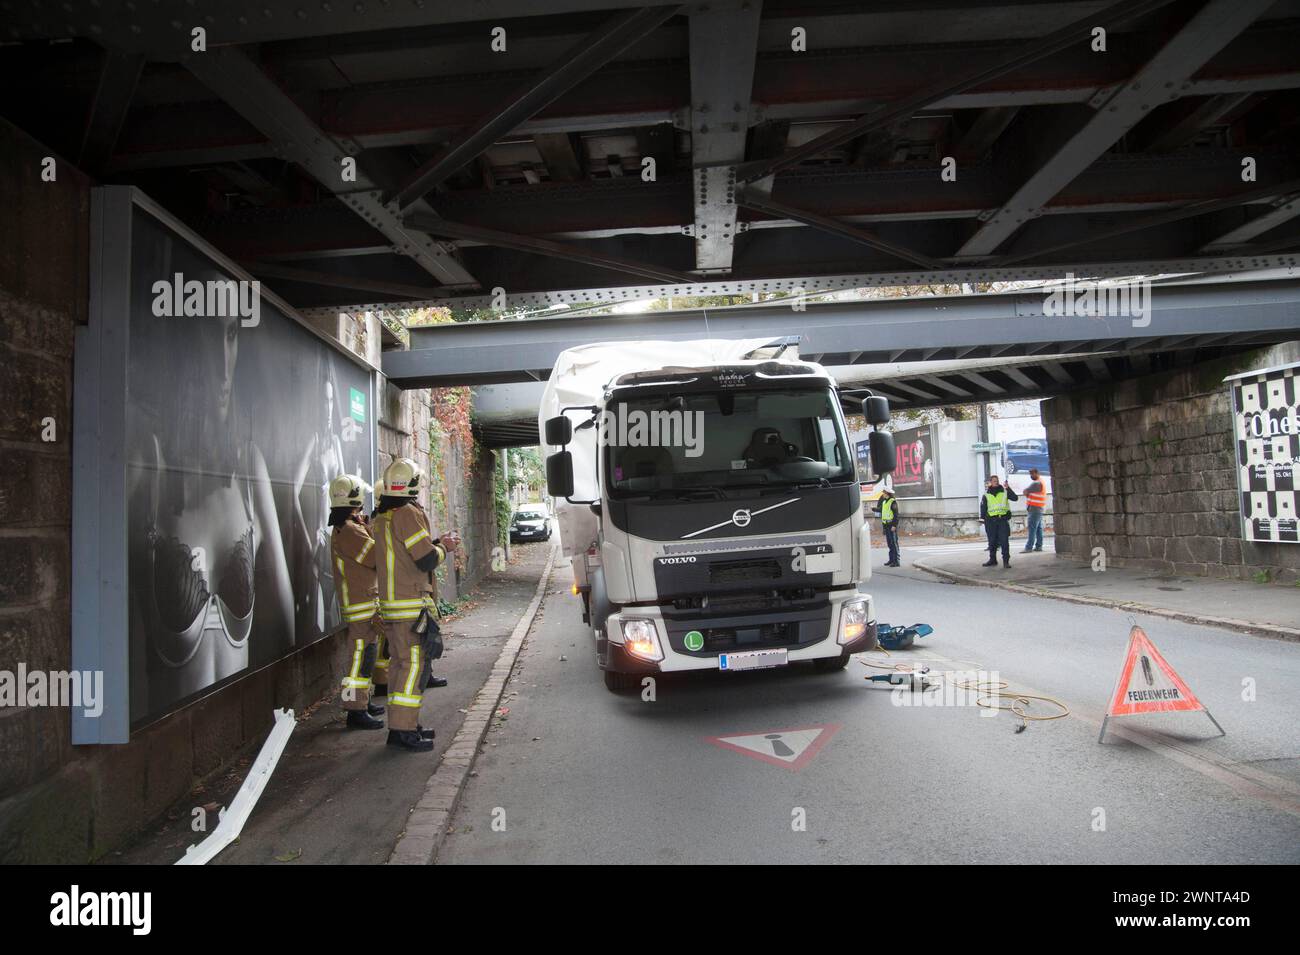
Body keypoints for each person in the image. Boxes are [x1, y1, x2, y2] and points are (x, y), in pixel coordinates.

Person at [372, 457, 461, 753]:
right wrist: (444, 547)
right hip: (411, 606)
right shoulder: (407, 513)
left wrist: (433, 542)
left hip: (393, 606)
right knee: (412, 667)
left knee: (399, 667)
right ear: (412, 484)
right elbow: (424, 558)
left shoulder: (382, 516)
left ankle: (403, 725)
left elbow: (404, 552)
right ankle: (403, 730)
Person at [328, 474, 386, 731]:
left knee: (366, 655)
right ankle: (354, 710)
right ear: (357, 497)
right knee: (359, 658)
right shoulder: (349, 530)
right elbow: (374, 557)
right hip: (360, 604)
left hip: (365, 602)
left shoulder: (349, 526)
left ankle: (363, 701)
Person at [980, 474, 1018, 568]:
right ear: (990, 483)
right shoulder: (986, 494)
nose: (995, 482)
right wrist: (982, 519)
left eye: (996, 481)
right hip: (990, 521)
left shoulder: (1004, 491)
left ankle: (1006, 561)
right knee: (992, 542)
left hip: (1002, 520)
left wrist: (1008, 488)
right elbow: (983, 508)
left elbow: (1015, 498)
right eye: (993, 481)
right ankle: (992, 560)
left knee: (1004, 541)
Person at [872, 488, 901, 567]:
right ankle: (891, 560)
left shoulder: (892, 502)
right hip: (887, 526)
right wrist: (874, 509)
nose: (883, 494)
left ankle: (896, 561)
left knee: (894, 543)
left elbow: (896, 515)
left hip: (892, 526)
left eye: (884, 493)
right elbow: (881, 510)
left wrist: (894, 525)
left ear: (887, 493)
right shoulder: (884, 502)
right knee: (890, 544)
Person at [1023, 468, 1047, 553]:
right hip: (1039, 508)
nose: (1031, 476)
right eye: (1030, 474)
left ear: (1037, 473)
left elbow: (1025, 491)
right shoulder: (1041, 481)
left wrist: (1026, 493)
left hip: (1034, 508)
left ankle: (1029, 547)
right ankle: (1039, 546)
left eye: (1032, 474)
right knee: (1038, 528)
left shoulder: (1036, 483)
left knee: (1032, 528)